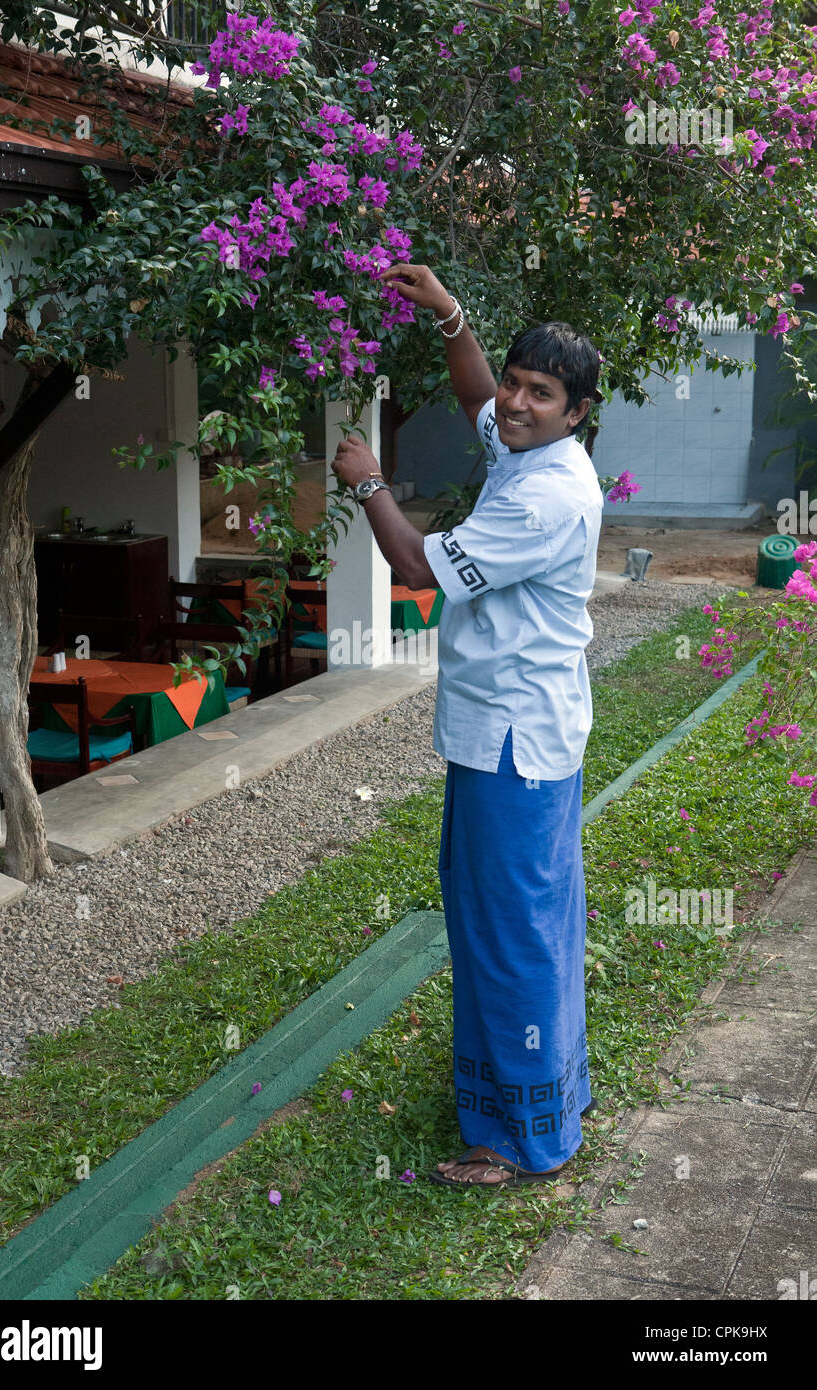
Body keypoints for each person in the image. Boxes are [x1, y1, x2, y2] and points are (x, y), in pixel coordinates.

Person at [330, 263, 603, 1188]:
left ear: (578, 414)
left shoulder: (546, 497)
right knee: (527, 915)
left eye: (543, 394)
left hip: (515, 744)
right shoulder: (533, 450)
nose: (518, 403)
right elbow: (479, 396)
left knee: (509, 928)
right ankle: (553, 1092)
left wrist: (370, 483)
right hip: (516, 732)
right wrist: (450, 314)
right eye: (522, 382)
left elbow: (411, 568)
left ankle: (524, 1140)